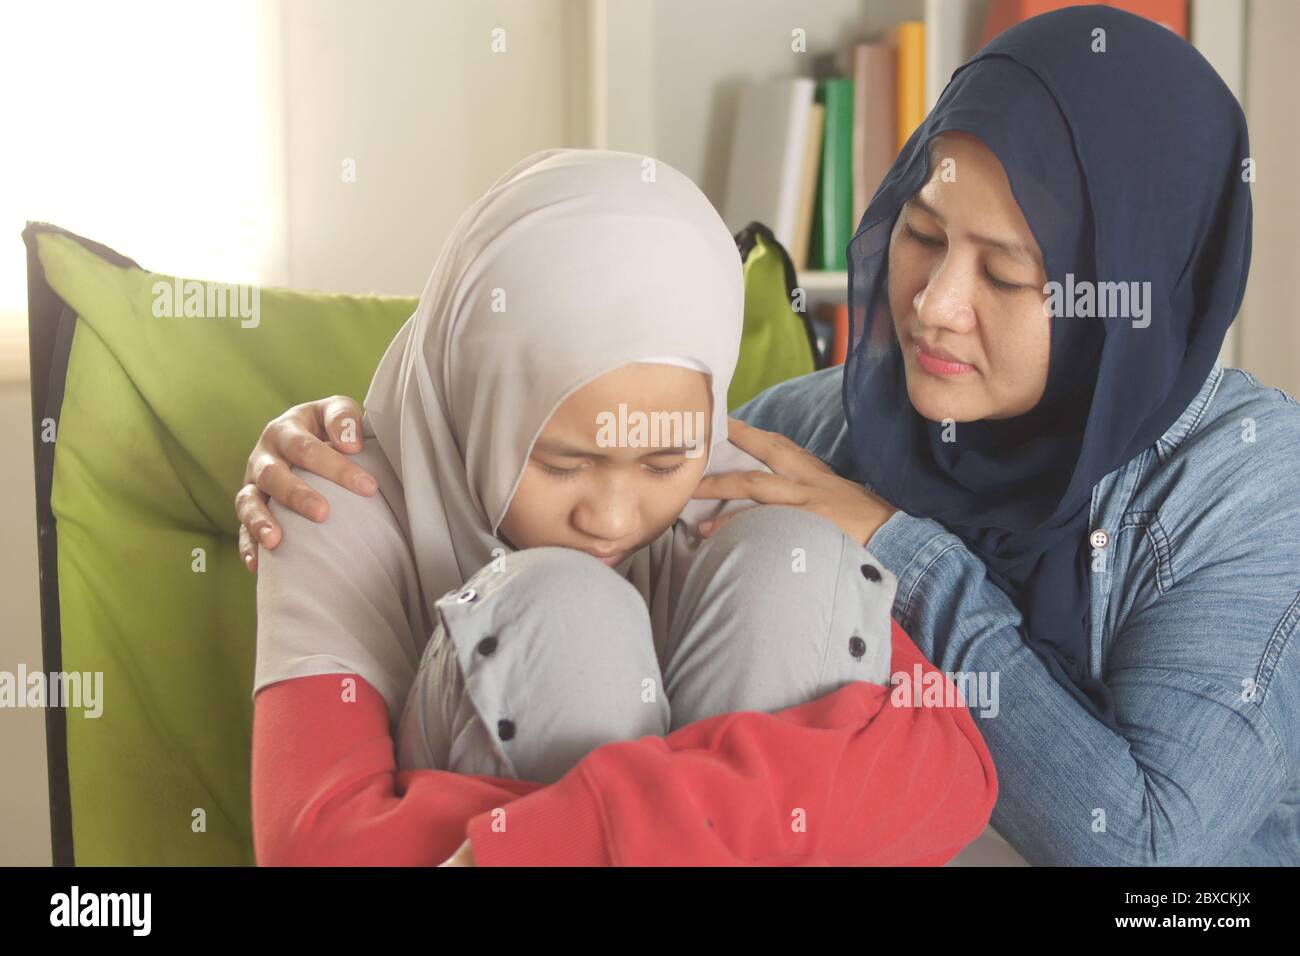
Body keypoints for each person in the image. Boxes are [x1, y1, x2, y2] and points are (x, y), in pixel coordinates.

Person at [246, 7, 1300, 866]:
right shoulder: (800, 432)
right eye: (922, 235)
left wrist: (892, 541)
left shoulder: (1244, 484)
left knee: (785, 556)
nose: (932, 304)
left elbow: (1148, 847)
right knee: (592, 597)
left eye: (1006, 274)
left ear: (1129, 299)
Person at [245, 147, 996, 866]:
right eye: (563, 463)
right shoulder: (327, 491)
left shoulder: (727, 481)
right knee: (567, 607)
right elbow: (315, 845)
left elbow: (951, 768)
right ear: (476, 400)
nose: (610, 517)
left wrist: (594, 832)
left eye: (664, 461)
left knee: (790, 558)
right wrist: (711, 820)